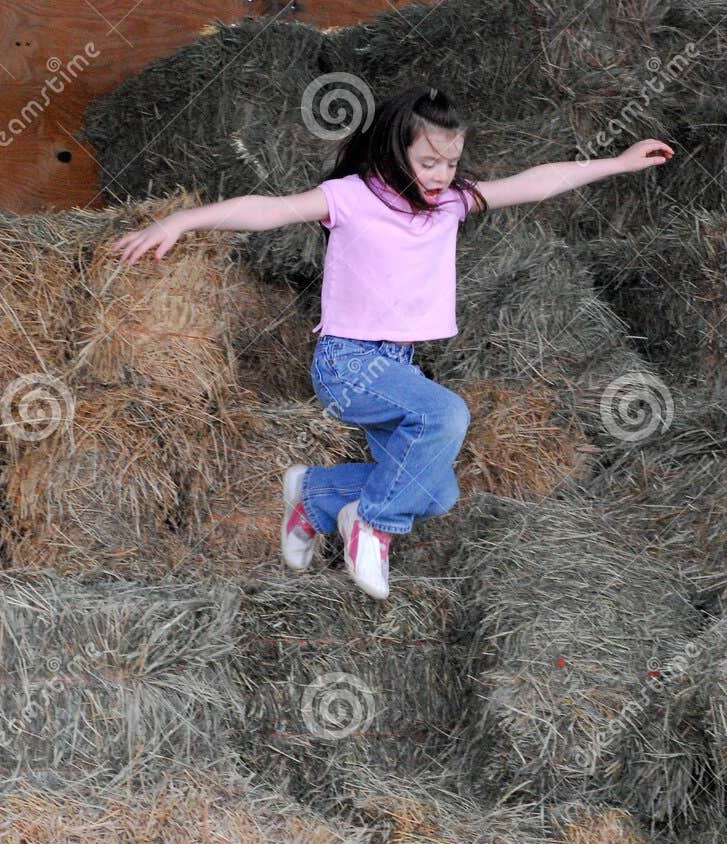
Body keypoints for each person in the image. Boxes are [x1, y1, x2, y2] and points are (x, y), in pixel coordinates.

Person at [113, 84, 673, 599]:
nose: (441, 174)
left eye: (451, 163)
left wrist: (619, 163)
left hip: (397, 368)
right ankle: (371, 523)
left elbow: (537, 181)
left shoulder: (451, 203)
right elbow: (268, 211)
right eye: (429, 161)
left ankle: (316, 495)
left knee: (436, 495)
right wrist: (181, 221)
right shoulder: (353, 197)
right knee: (445, 415)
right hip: (348, 364)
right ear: (392, 150)